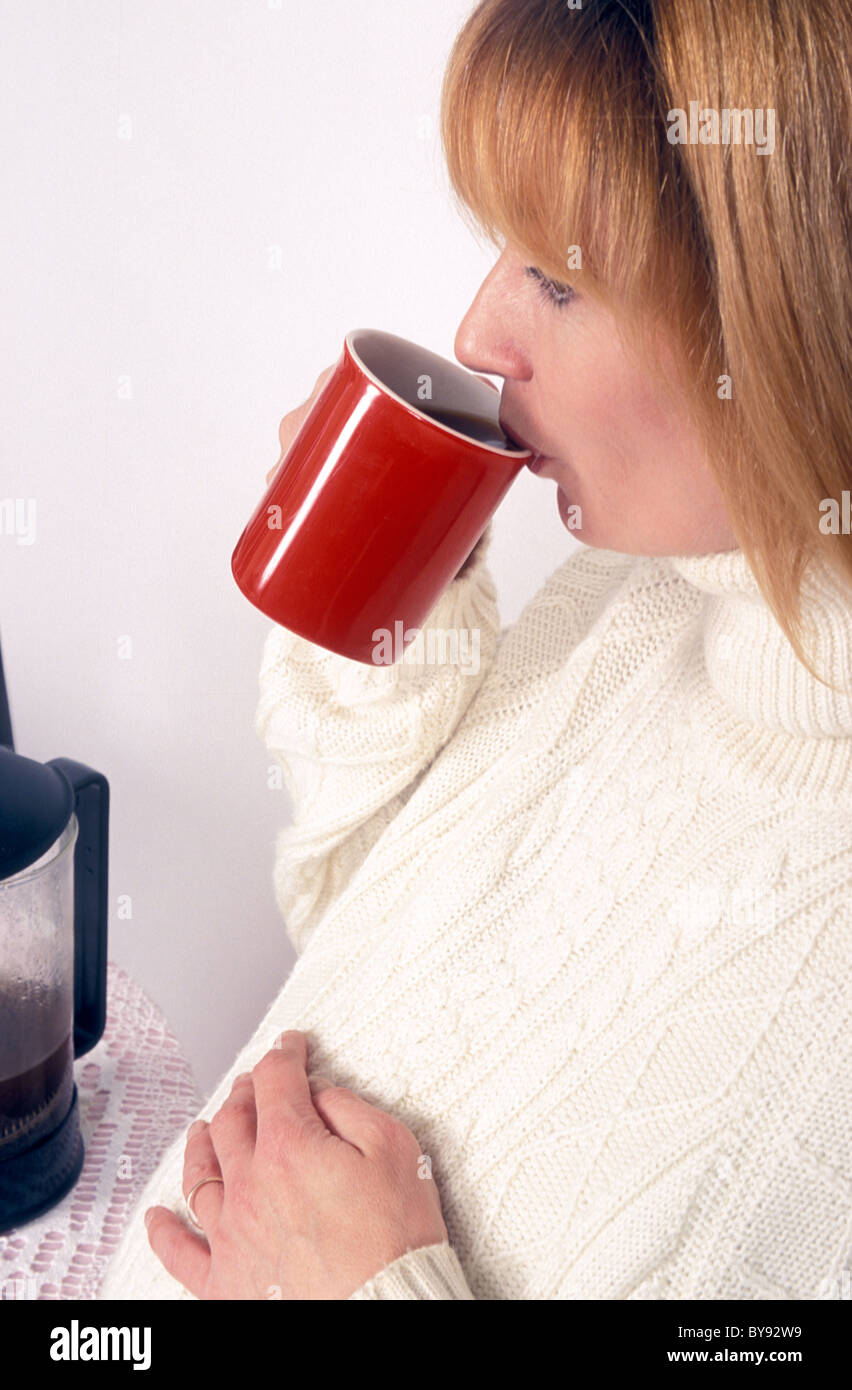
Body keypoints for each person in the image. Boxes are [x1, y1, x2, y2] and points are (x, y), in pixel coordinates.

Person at [99, 0, 852, 1300]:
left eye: (556, 280)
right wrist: (390, 624)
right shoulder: (633, 600)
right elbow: (377, 967)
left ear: (791, 322)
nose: (477, 336)